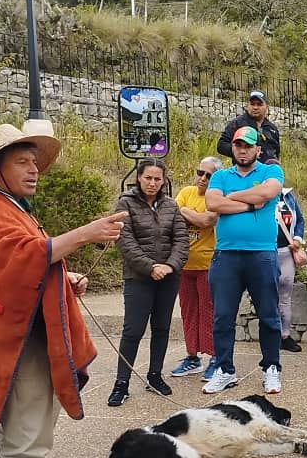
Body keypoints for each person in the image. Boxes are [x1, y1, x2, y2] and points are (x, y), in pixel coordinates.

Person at [0, 123, 126, 458]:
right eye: (22, 162)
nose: (34, 170)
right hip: (14, 345)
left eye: (35, 162)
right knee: (26, 441)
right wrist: (85, 233)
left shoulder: (8, 207)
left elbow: (24, 264)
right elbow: (16, 260)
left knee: (25, 437)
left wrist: (64, 279)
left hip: (22, 337)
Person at [203, 126, 285, 394]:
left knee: (269, 315)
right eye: (238, 145)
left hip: (261, 254)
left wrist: (232, 197)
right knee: (222, 317)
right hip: (226, 254)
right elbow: (213, 203)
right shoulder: (220, 176)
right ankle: (225, 369)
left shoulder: (270, 171)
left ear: (257, 149)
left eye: (248, 145)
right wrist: (249, 204)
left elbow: (266, 193)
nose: (242, 149)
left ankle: (271, 367)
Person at [108, 158, 189, 407]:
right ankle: (121, 383)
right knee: (133, 330)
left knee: (162, 328)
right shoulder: (126, 204)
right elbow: (125, 241)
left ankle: (155, 375)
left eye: (157, 179)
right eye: (148, 178)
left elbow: (181, 240)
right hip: (139, 278)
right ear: (139, 178)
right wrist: (150, 267)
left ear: (163, 181)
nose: (152, 183)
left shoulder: (172, 206)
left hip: (168, 276)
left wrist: (169, 266)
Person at [170, 157, 223, 381]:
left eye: (208, 175)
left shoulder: (218, 196)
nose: (202, 178)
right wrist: (192, 214)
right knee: (188, 311)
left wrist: (187, 213)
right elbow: (173, 211)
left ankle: (214, 358)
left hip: (208, 264)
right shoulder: (186, 192)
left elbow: (207, 221)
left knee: (209, 312)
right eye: (200, 172)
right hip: (184, 264)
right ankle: (192, 357)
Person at [276, 185, 307, 353]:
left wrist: (297, 238)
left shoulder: (288, 197)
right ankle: (271, 334)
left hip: (287, 252)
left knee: (285, 296)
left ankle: (285, 336)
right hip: (266, 252)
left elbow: (300, 219)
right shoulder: (259, 196)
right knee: (267, 295)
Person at [217, 90, 281, 163]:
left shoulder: (272, 128)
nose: (255, 107)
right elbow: (221, 145)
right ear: (248, 105)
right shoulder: (237, 123)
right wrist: (240, 150)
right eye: (252, 104)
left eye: (259, 104)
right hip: (243, 171)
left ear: (267, 107)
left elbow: (276, 152)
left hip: (267, 172)